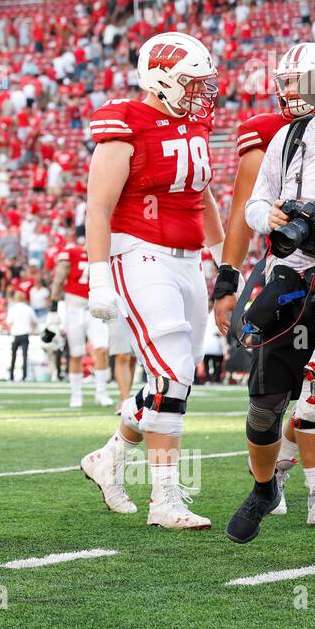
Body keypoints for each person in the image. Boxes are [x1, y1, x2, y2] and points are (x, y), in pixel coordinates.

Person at [79, 31, 225, 530]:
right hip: (139, 254)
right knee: (173, 370)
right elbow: (98, 207)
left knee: (176, 376)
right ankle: (165, 499)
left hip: (188, 262)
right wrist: (99, 278)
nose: (202, 93)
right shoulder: (126, 121)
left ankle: (110, 456)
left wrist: (227, 266)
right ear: (160, 79)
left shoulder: (196, 121)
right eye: (192, 82)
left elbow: (203, 197)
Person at [226, 76, 315, 561]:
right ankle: (265, 488)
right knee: (264, 406)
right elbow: (254, 203)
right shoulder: (289, 139)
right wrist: (270, 218)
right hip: (290, 278)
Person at [214, 43, 315, 526]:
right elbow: (247, 207)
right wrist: (227, 276)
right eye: (285, 82)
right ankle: (275, 477)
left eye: (301, 81)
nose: (290, 93)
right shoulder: (271, 133)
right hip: (290, 274)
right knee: (272, 394)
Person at [51, 241, 111, 406]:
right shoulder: (72, 253)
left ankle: (101, 392)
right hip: (73, 309)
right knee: (76, 354)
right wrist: (53, 307)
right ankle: (76, 395)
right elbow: (59, 277)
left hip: (94, 309)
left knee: (102, 349)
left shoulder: (103, 253)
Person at [6, 290, 36, 381]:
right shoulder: (28, 308)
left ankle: (11, 376)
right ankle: (24, 376)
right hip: (25, 334)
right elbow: (34, 321)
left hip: (16, 334)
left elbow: (8, 322)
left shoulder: (13, 309)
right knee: (24, 356)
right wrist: (32, 330)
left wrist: (11, 329)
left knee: (13, 356)